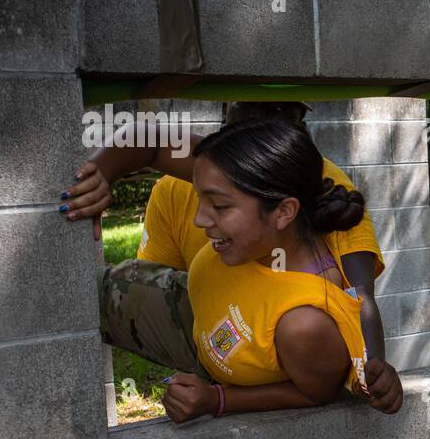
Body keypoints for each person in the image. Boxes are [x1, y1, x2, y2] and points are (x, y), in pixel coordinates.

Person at [64, 106, 402, 418]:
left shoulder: (304, 324)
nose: (199, 219)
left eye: (220, 207)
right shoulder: (239, 169)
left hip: (235, 362)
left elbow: (358, 309)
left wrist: (218, 399)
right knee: (68, 298)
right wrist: (99, 175)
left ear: (284, 211)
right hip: (202, 309)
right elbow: (149, 141)